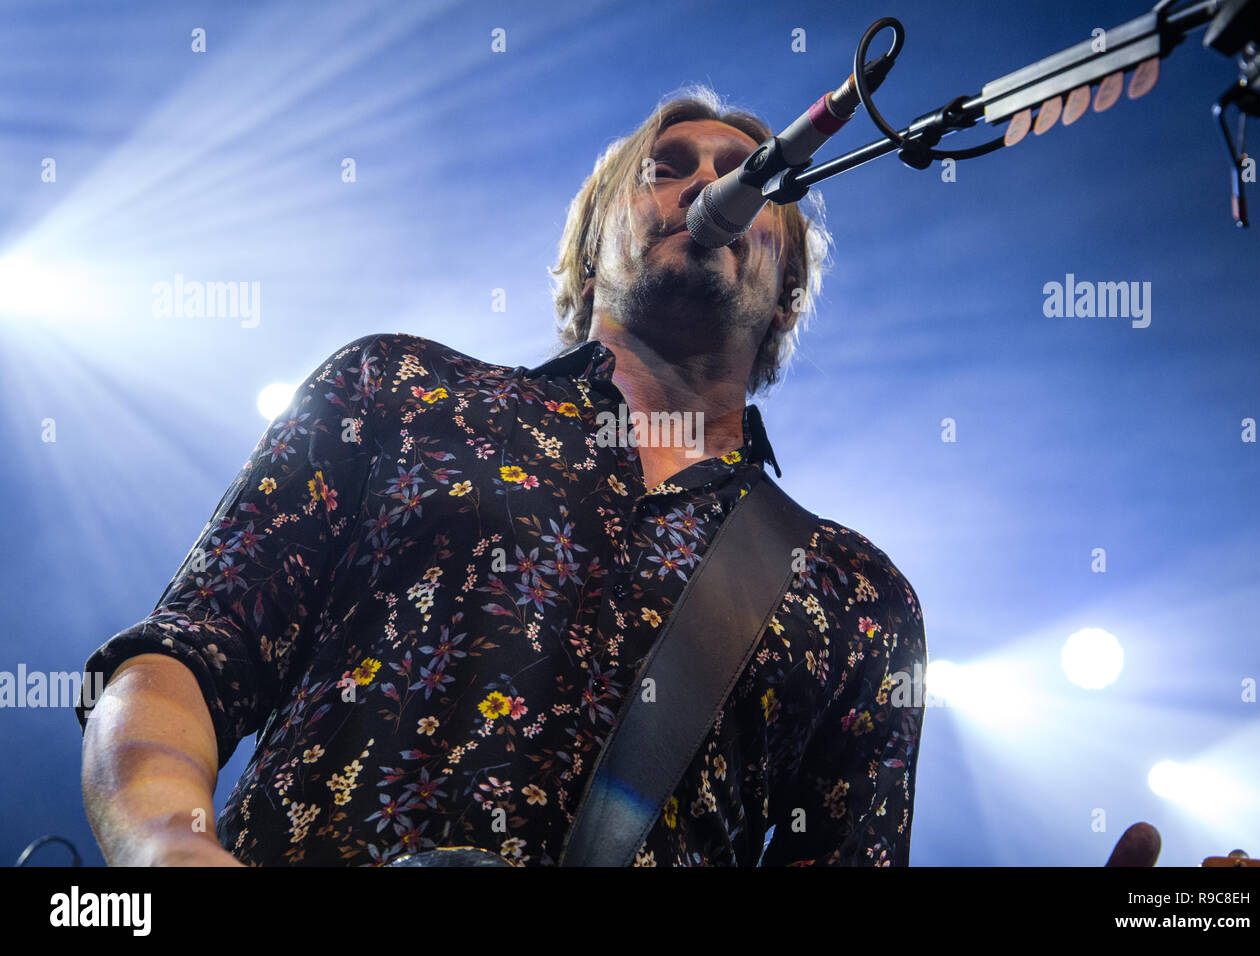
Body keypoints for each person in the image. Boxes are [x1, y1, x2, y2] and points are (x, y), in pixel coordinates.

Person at [76, 85, 927, 867]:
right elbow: (188, 654)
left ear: (789, 286)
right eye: (665, 169)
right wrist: (164, 845)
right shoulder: (398, 388)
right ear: (593, 249)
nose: (706, 184)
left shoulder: (855, 593)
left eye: (742, 176)